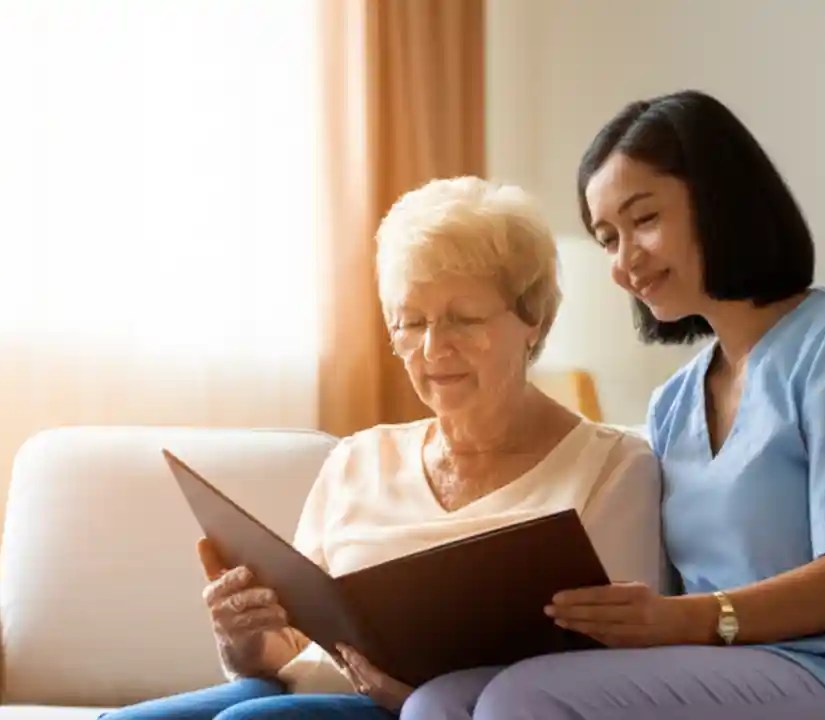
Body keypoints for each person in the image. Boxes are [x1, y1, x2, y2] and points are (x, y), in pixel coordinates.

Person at [402, 90, 825, 720]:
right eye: (607, 238)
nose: (625, 260)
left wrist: (682, 620)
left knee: (518, 701)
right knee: (436, 704)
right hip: (713, 668)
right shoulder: (674, 402)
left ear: (719, 199)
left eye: (644, 220)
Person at [100, 177, 664, 720]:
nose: (433, 347)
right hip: (299, 694)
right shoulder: (356, 459)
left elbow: (609, 681)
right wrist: (242, 637)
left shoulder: (612, 468)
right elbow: (293, 650)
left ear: (533, 320)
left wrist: (419, 700)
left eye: (462, 320)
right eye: (410, 322)